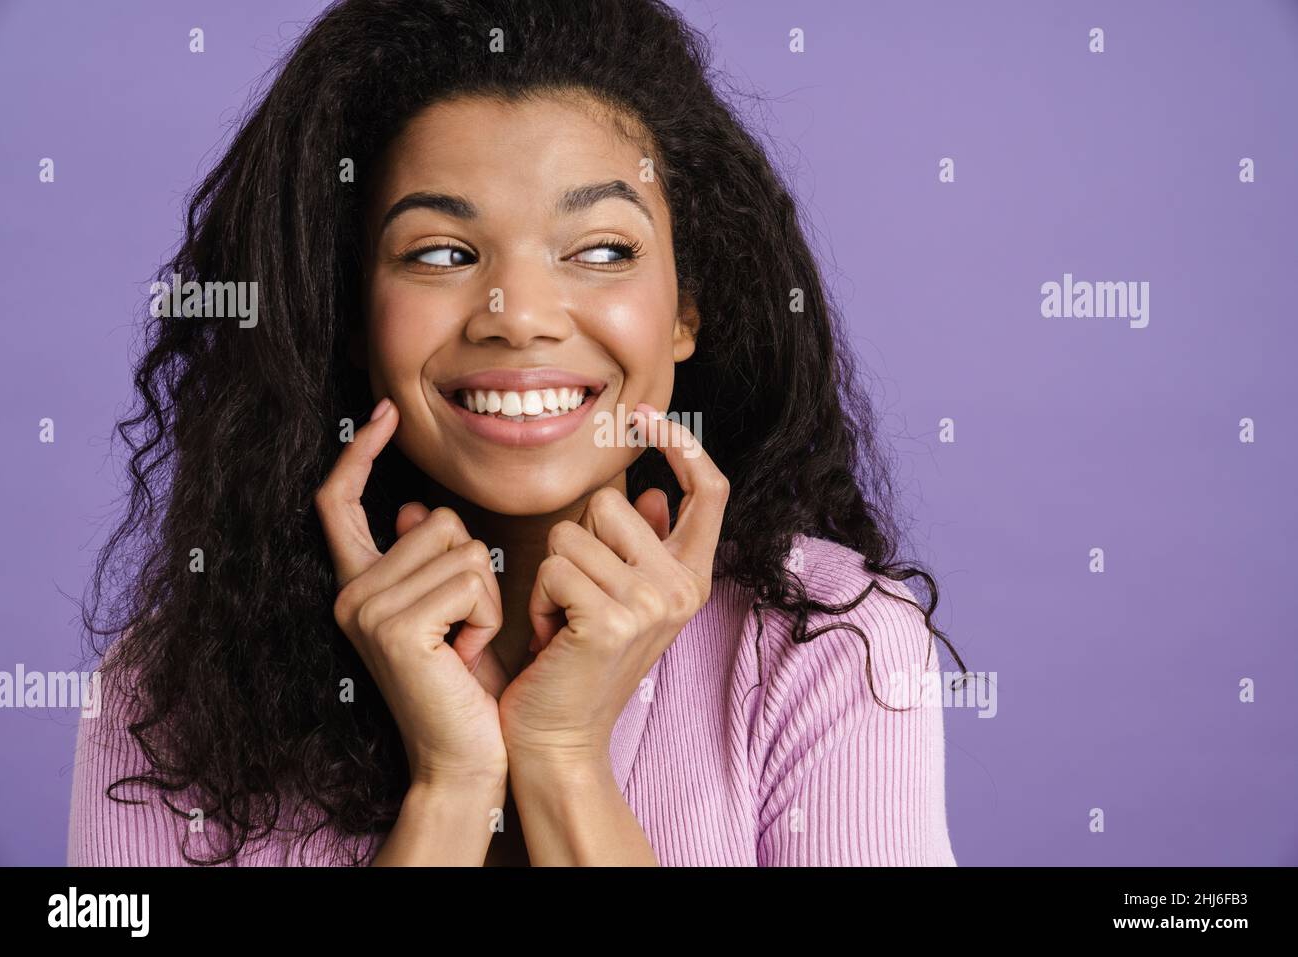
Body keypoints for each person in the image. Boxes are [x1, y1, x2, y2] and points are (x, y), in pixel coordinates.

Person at [70, 0, 966, 866]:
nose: (520, 316)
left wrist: (566, 759)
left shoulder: (835, 650)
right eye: (441, 254)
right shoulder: (162, 693)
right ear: (347, 315)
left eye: (603, 250)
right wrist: (452, 790)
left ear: (687, 307)